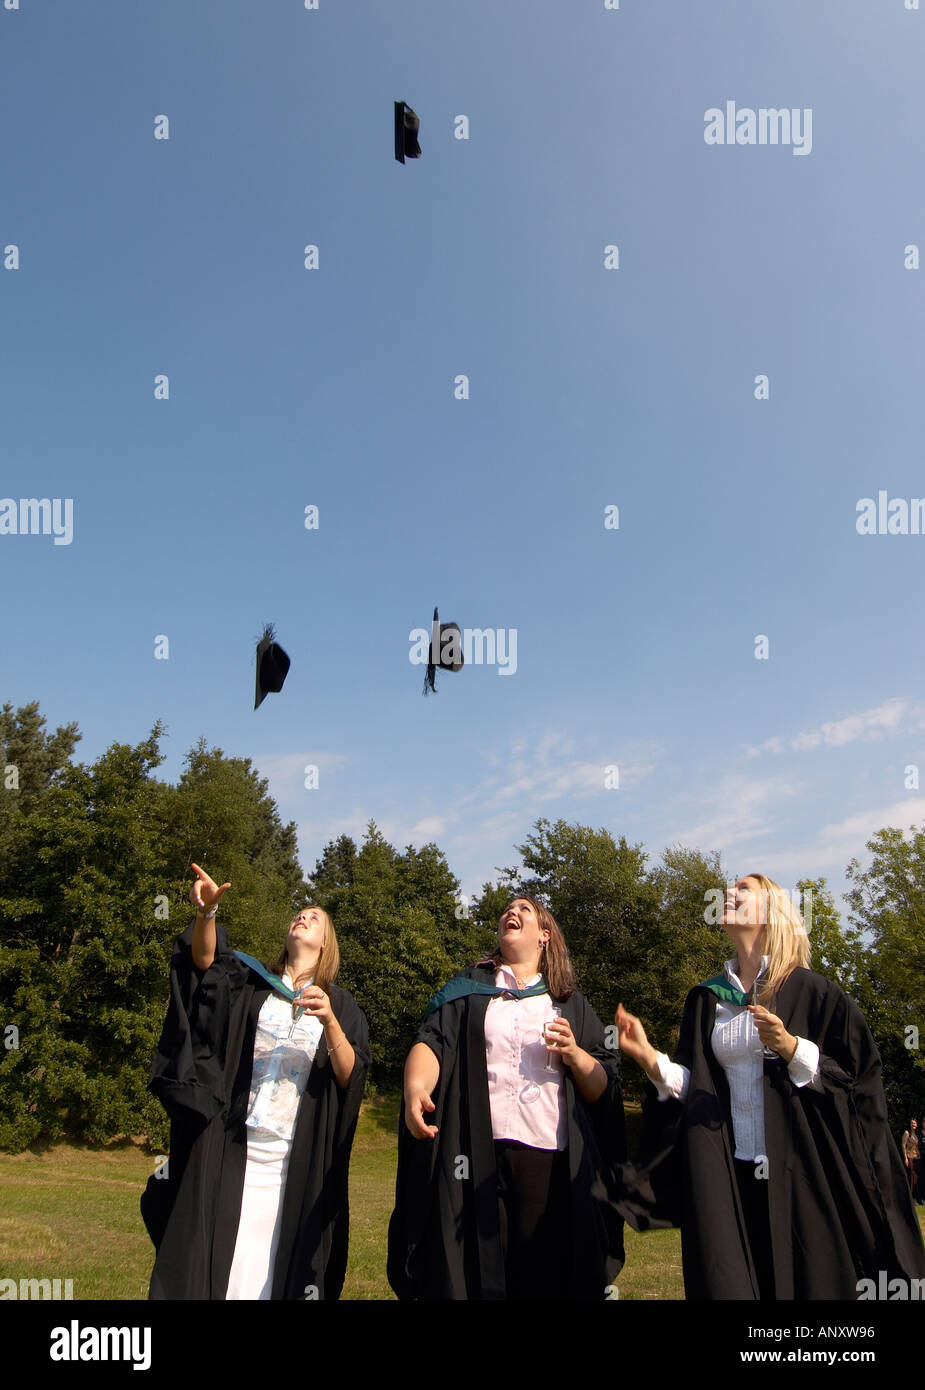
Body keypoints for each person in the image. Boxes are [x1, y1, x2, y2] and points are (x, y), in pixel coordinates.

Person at [615, 873, 925, 1300]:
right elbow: (700, 1086)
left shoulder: (813, 993)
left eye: (742, 890)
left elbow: (855, 1081)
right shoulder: (708, 1000)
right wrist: (650, 1058)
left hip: (799, 1169)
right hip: (730, 1171)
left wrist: (792, 1047)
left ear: (771, 913)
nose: (728, 894)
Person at [141, 862, 370, 1299]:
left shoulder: (341, 1005)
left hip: (293, 1159)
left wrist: (331, 1023)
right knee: (222, 1266)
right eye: (298, 914)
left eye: (315, 917)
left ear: (326, 942)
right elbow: (204, 964)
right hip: (233, 1150)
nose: (302, 917)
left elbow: (350, 1076)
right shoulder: (253, 986)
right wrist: (207, 914)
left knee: (273, 1271)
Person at [387, 895, 625, 1300]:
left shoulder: (567, 1002)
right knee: (470, 1268)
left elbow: (605, 1084)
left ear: (545, 935)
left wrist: (575, 1054)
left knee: (538, 1273)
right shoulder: (468, 989)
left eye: (524, 910)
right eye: (507, 910)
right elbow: (432, 1041)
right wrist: (415, 1088)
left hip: (547, 1155)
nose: (511, 913)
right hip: (474, 1150)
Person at [902, 1118, 920, 1205]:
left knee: (916, 1178)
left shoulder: (916, 1134)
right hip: (910, 1157)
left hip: (916, 1158)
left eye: (915, 1123)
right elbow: (903, 1145)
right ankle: (910, 1198)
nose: (914, 1125)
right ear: (909, 1124)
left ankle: (915, 1198)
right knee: (911, 1178)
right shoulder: (907, 1133)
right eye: (912, 1123)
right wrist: (905, 1158)